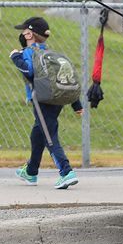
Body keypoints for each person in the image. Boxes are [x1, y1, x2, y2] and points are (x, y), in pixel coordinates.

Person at [10, 16, 83, 189]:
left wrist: (15, 57)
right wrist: (76, 104)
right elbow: (63, 78)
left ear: (29, 34)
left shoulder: (28, 53)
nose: (21, 34)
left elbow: (28, 71)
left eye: (23, 31)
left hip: (41, 100)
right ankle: (31, 171)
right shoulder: (50, 54)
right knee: (38, 134)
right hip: (56, 100)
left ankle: (66, 172)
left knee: (49, 136)